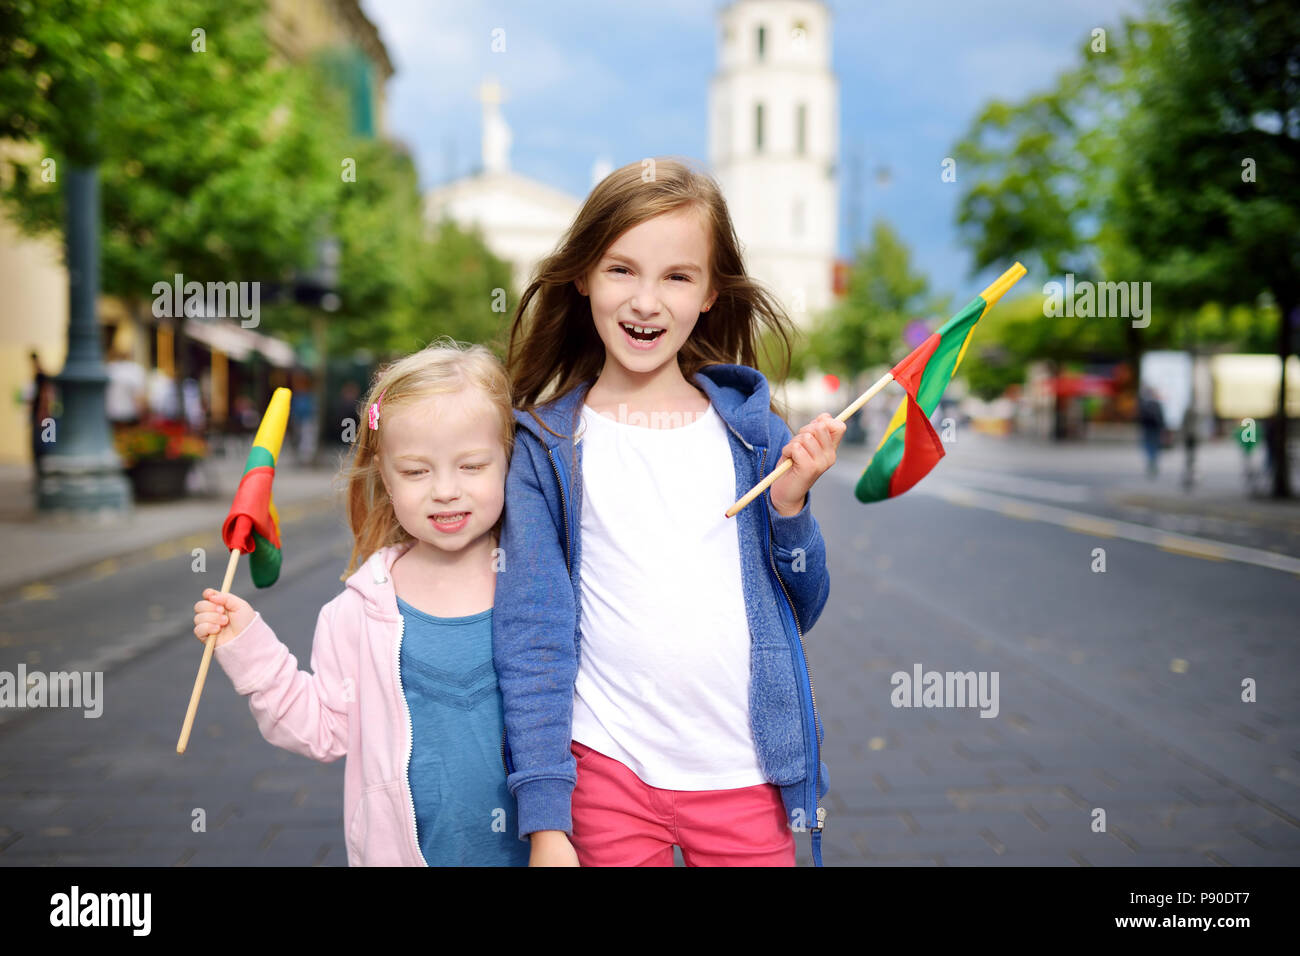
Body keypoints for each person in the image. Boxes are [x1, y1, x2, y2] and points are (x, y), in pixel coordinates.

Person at [494, 157, 844, 867]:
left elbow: (804, 605)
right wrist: (545, 820)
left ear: (712, 291)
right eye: (622, 270)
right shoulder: (547, 447)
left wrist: (789, 508)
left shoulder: (757, 436)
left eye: (677, 276)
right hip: (605, 776)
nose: (646, 301)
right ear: (582, 274)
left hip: (745, 775)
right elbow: (533, 636)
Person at [191, 339, 529, 866]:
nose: (445, 489)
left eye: (471, 466)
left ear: (509, 459)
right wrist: (247, 644)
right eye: (416, 471)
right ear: (386, 478)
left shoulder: (540, 586)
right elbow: (321, 729)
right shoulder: (357, 613)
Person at [25, 351, 56, 483]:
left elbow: (45, 395)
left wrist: (42, 413)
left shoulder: (41, 376)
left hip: (43, 416)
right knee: (41, 445)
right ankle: (42, 474)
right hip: (42, 415)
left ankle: (44, 475)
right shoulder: (40, 375)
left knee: (43, 445)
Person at [1136, 385, 1165, 478]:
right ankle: (1153, 461)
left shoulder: (1145, 404)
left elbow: (1140, 417)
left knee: (1148, 445)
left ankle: (1151, 460)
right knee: (1154, 446)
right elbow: (1161, 418)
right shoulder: (1157, 404)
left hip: (1147, 429)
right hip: (1155, 429)